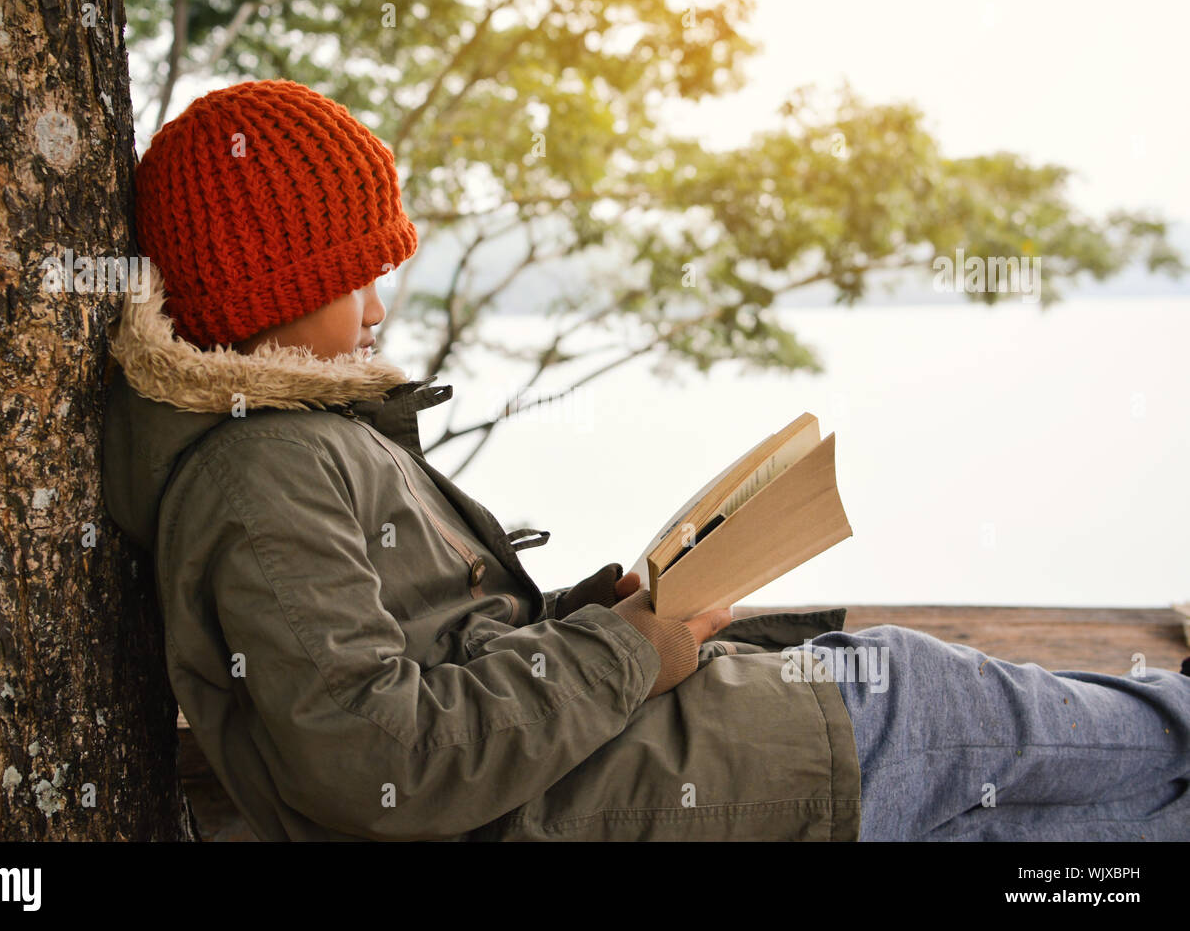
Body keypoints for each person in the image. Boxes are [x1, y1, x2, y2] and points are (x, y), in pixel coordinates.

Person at [102, 79, 1190, 841]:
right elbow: (379, 759)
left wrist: (599, 615)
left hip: (626, 781)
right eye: (356, 278)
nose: (379, 307)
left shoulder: (286, 445)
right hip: (634, 792)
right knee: (932, 695)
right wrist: (623, 651)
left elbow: (433, 660)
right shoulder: (263, 475)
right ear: (268, 290)